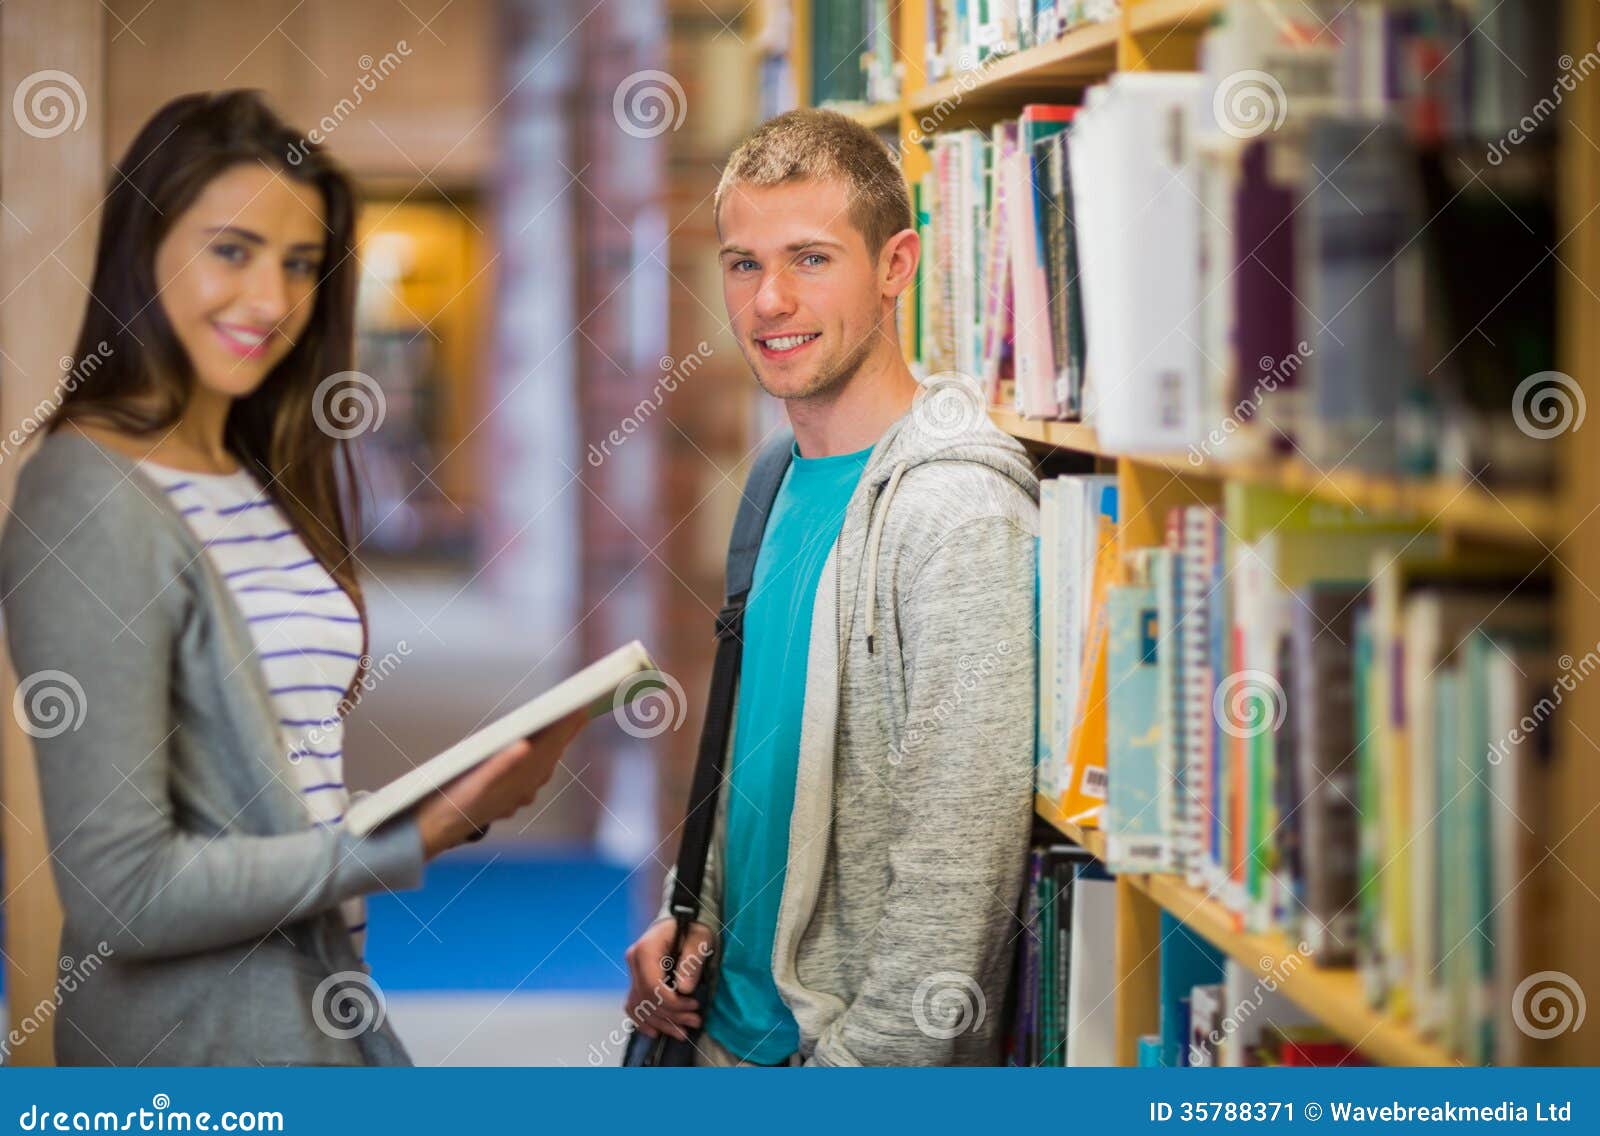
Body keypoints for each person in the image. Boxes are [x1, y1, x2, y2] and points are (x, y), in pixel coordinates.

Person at [0, 90, 584, 1066]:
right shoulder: (86, 498)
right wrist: (412, 837)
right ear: (144, 245)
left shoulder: (251, 468)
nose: (271, 300)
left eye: (302, 263)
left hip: (314, 998)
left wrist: (432, 801)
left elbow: (273, 776)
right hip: (195, 1051)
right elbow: (122, 891)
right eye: (231, 249)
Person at [623, 108, 1039, 1066]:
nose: (769, 300)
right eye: (742, 262)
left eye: (811, 258)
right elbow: (750, 752)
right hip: (719, 1036)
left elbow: (955, 876)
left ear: (896, 265)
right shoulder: (771, 478)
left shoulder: (957, 516)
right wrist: (692, 906)